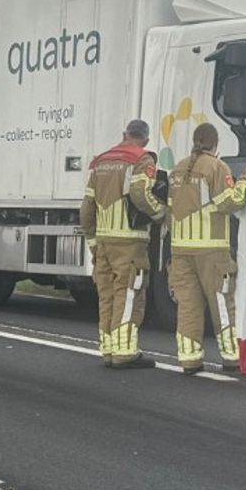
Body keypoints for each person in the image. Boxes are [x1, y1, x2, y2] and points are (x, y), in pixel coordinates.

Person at [167, 124, 246, 374]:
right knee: (221, 303)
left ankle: (189, 359)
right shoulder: (217, 167)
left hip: (180, 249)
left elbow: (171, 207)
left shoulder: (176, 169)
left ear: (195, 141)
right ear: (216, 145)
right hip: (211, 250)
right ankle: (231, 358)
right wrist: (245, 181)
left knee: (188, 305)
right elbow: (229, 203)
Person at [80, 118, 166, 369]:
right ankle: (124, 352)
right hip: (130, 241)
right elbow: (140, 194)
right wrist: (160, 213)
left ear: (124, 134)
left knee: (106, 296)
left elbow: (86, 209)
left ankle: (107, 349)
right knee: (129, 295)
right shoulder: (142, 159)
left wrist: (93, 240)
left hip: (104, 241)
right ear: (146, 140)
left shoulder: (101, 162)